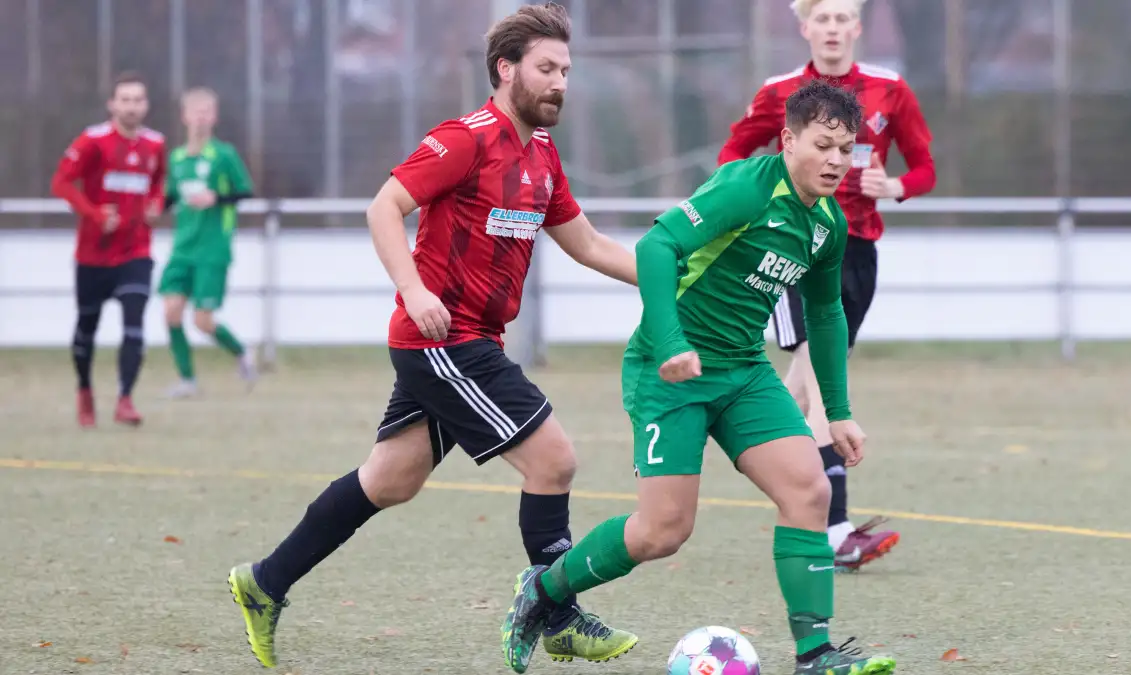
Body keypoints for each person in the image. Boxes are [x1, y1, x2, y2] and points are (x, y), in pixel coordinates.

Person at [227, 3, 639, 669]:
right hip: (442, 343)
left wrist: (668, 279)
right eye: (546, 68)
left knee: (391, 479)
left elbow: (588, 244)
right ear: (506, 70)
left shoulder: (541, 156)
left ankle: (264, 582)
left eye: (566, 68)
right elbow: (384, 205)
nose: (561, 80)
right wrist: (414, 290)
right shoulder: (464, 138)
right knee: (554, 459)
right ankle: (557, 613)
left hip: (473, 342)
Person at [502, 80, 896, 675]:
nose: (837, 161)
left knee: (809, 491)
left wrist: (837, 410)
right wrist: (671, 342)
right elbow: (660, 246)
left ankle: (816, 655)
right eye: (824, 145)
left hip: (742, 371)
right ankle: (545, 590)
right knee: (663, 531)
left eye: (847, 149)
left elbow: (825, 311)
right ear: (788, 141)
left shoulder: (828, 224)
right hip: (670, 373)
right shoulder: (747, 188)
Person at [718, 0, 937, 571]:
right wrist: (765, 202)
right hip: (795, 248)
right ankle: (833, 529)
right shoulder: (781, 91)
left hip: (857, 251)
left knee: (797, 388)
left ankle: (721, 434)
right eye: (824, 19)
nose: (834, 29)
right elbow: (733, 155)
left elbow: (924, 168)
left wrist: (894, 186)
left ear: (857, 28)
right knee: (820, 380)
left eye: (844, 19)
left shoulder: (890, 89)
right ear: (806, 28)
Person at [50, 71, 166, 428]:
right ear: (112, 104)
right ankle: (85, 390)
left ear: (146, 105)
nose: (132, 106)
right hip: (94, 254)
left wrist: (156, 204)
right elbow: (61, 182)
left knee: (134, 321)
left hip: (136, 251)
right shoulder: (93, 141)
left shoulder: (156, 145)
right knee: (88, 325)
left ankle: (125, 400)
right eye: (125, 99)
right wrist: (94, 214)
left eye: (138, 100)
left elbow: (159, 183)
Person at [159, 87, 257, 398]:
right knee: (171, 311)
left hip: (213, 249)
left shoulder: (223, 155)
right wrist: (151, 209)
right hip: (182, 248)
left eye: (207, 111)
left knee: (202, 321)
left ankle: (242, 352)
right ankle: (187, 380)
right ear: (184, 116)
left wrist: (216, 197)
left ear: (214, 117)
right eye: (195, 111)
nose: (200, 118)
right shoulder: (176, 158)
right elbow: (170, 198)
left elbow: (245, 191)